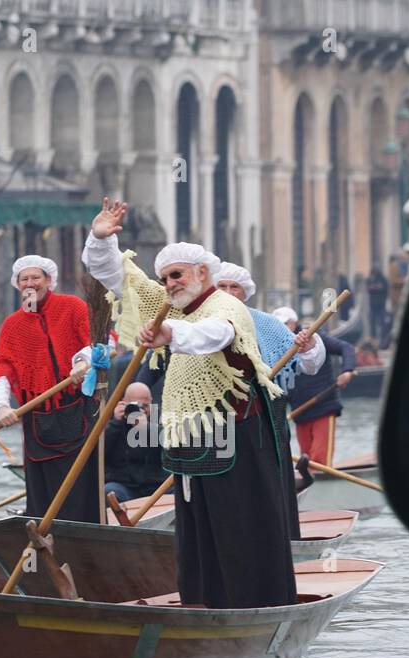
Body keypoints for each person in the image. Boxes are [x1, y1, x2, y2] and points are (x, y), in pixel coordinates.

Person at [83, 197, 297, 610]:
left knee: (238, 529)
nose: (169, 284)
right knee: (197, 533)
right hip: (192, 442)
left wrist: (170, 335)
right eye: (165, 278)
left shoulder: (225, 305)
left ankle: (252, 606)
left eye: (176, 275)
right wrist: (100, 239)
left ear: (201, 272)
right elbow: (120, 279)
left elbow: (214, 335)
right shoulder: (170, 303)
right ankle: (202, 605)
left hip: (236, 440)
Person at [214, 260, 327, 539]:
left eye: (234, 287)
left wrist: (308, 346)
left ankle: (278, 539)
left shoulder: (266, 324)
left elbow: (309, 364)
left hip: (264, 418)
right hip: (218, 420)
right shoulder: (198, 324)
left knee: (268, 482)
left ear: (245, 292)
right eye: (222, 286)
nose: (228, 292)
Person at [0, 255, 96, 522]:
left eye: (36, 277)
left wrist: (82, 361)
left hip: (78, 409)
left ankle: (86, 533)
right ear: (18, 285)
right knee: (42, 496)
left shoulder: (73, 307)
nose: (30, 283)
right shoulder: (12, 326)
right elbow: (1, 367)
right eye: (25, 279)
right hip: (38, 420)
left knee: (82, 487)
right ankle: (44, 537)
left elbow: (99, 341)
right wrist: (0, 406)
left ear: (49, 280)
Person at [282, 306, 355, 469]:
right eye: (279, 325)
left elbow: (346, 348)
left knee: (319, 462)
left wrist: (347, 371)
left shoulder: (315, 337)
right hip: (299, 412)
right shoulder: (277, 348)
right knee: (305, 462)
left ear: (295, 323)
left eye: (286, 324)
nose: (283, 328)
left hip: (323, 407)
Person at [104, 382, 168, 506]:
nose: (140, 410)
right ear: (124, 403)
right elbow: (101, 454)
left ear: (151, 403)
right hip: (125, 487)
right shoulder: (115, 425)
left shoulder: (158, 419)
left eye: (145, 406)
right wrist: (115, 423)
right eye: (135, 406)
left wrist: (147, 428)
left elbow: (169, 448)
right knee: (109, 491)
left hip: (156, 488)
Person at [366, 266, 389, 340]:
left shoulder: (383, 279)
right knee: (373, 322)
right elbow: (369, 288)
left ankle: (382, 339)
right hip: (373, 304)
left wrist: (376, 288)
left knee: (382, 323)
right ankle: (374, 338)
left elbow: (383, 288)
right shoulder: (370, 280)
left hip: (381, 304)